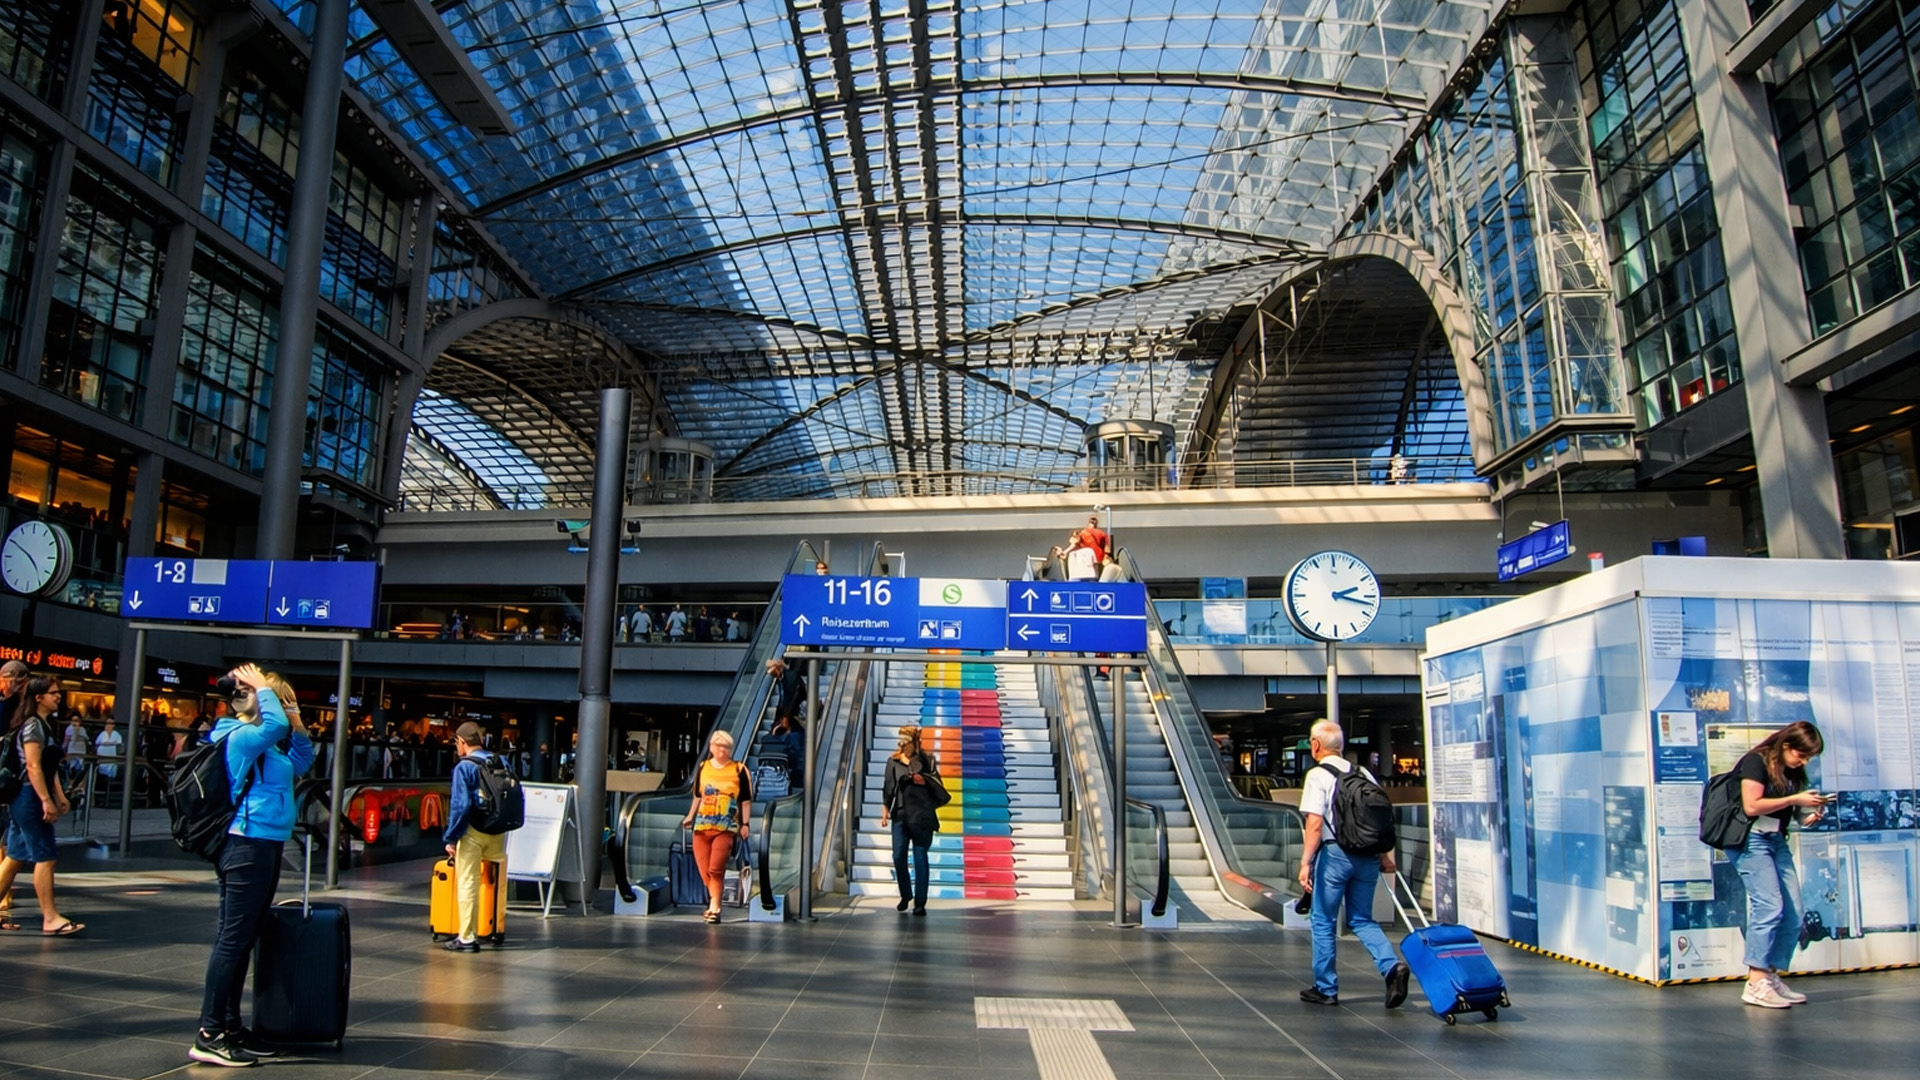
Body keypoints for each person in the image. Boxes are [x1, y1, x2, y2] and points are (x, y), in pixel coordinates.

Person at [189, 664, 314, 1067]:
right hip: (246, 845)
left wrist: (294, 716)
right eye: (280, 699)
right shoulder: (239, 737)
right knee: (233, 939)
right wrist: (265, 690)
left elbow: (302, 758)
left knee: (242, 937)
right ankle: (209, 1033)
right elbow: (274, 726)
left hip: (264, 844)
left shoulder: (268, 746)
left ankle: (229, 1026)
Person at [1296, 719, 1408, 1008]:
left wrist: (1306, 863)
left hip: (1335, 855)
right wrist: (1384, 856)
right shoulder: (1365, 775)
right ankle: (1391, 967)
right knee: (1361, 918)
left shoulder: (1318, 776)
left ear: (1316, 745)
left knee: (1323, 920)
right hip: (1368, 857)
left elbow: (1314, 824)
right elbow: (1379, 820)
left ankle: (1326, 988)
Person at [1732, 721, 1828, 1008]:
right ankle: (1755, 981)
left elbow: (1791, 813)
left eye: (1809, 757)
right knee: (1769, 906)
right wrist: (1795, 798)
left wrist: (1806, 815)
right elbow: (1751, 806)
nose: (1804, 761)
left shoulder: (1793, 773)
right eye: (1802, 755)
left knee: (1795, 911)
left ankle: (1770, 976)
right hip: (1751, 839)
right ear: (1786, 745)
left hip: (1775, 839)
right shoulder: (1755, 762)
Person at [0, 675, 80, 936]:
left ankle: (50, 917)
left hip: (27, 797)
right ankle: (50, 917)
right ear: (38, 697)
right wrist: (47, 800)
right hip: (29, 797)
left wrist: (59, 795)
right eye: (53, 692)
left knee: (14, 857)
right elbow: (33, 767)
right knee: (45, 856)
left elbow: (48, 767)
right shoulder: (34, 726)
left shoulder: (44, 724)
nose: (58, 696)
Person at [441, 722, 508, 953]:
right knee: (497, 881)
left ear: (461, 742)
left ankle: (468, 937)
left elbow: (461, 806)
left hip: (474, 833)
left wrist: (451, 838)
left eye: (456, 743)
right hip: (498, 831)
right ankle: (496, 928)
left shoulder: (464, 767)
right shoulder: (500, 761)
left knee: (468, 882)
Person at [679, 730, 751, 923]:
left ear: (730, 749)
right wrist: (690, 815)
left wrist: (745, 824)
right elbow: (698, 795)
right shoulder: (703, 768)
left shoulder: (739, 769)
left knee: (716, 869)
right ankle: (714, 898)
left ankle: (715, 907)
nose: (720, 749)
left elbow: (745, 800)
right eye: (716, 745)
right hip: (702, 826)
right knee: (704, 870)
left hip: (725, 827)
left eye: (724, 746)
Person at [880, 726, 943, 916]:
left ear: (914, 742)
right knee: (898, 855)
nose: (904, 746)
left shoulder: (926, 760)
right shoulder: (893, 761)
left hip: (921, 816)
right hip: (900, 814)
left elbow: (937, 784)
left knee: (920, 857)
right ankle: (906, 894)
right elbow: (888, 787)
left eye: (907, 742)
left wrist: (922, 779)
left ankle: (920, 902)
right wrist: (885, 811)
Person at [94, 716, 123, 783]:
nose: (109, 725)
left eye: (111, 723)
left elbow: (120, 747)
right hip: (102, 759)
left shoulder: (117, 735)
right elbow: (96, 745)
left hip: (112, 759)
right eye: (108, 723)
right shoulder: (102, 734)